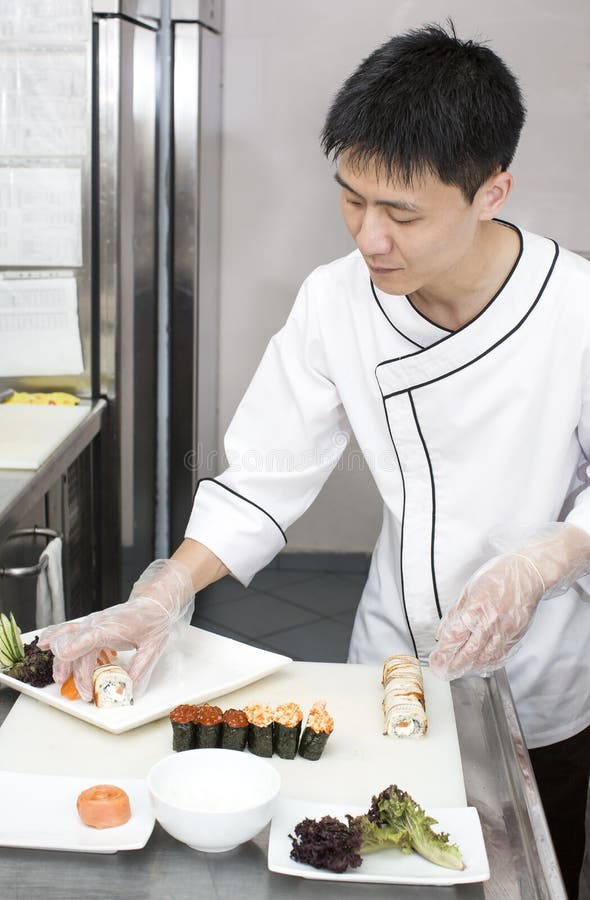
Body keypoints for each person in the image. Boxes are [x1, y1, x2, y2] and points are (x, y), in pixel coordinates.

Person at [40, 22, 590, 898]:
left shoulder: (576, 309)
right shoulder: (336, 301)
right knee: (372, 866)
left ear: (493, 190)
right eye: (351, 199)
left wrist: (546, 558)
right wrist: (167, 592)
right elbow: (265, 472)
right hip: (387, 656)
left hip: (542, 674)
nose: (369, 238)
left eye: (402, 213)